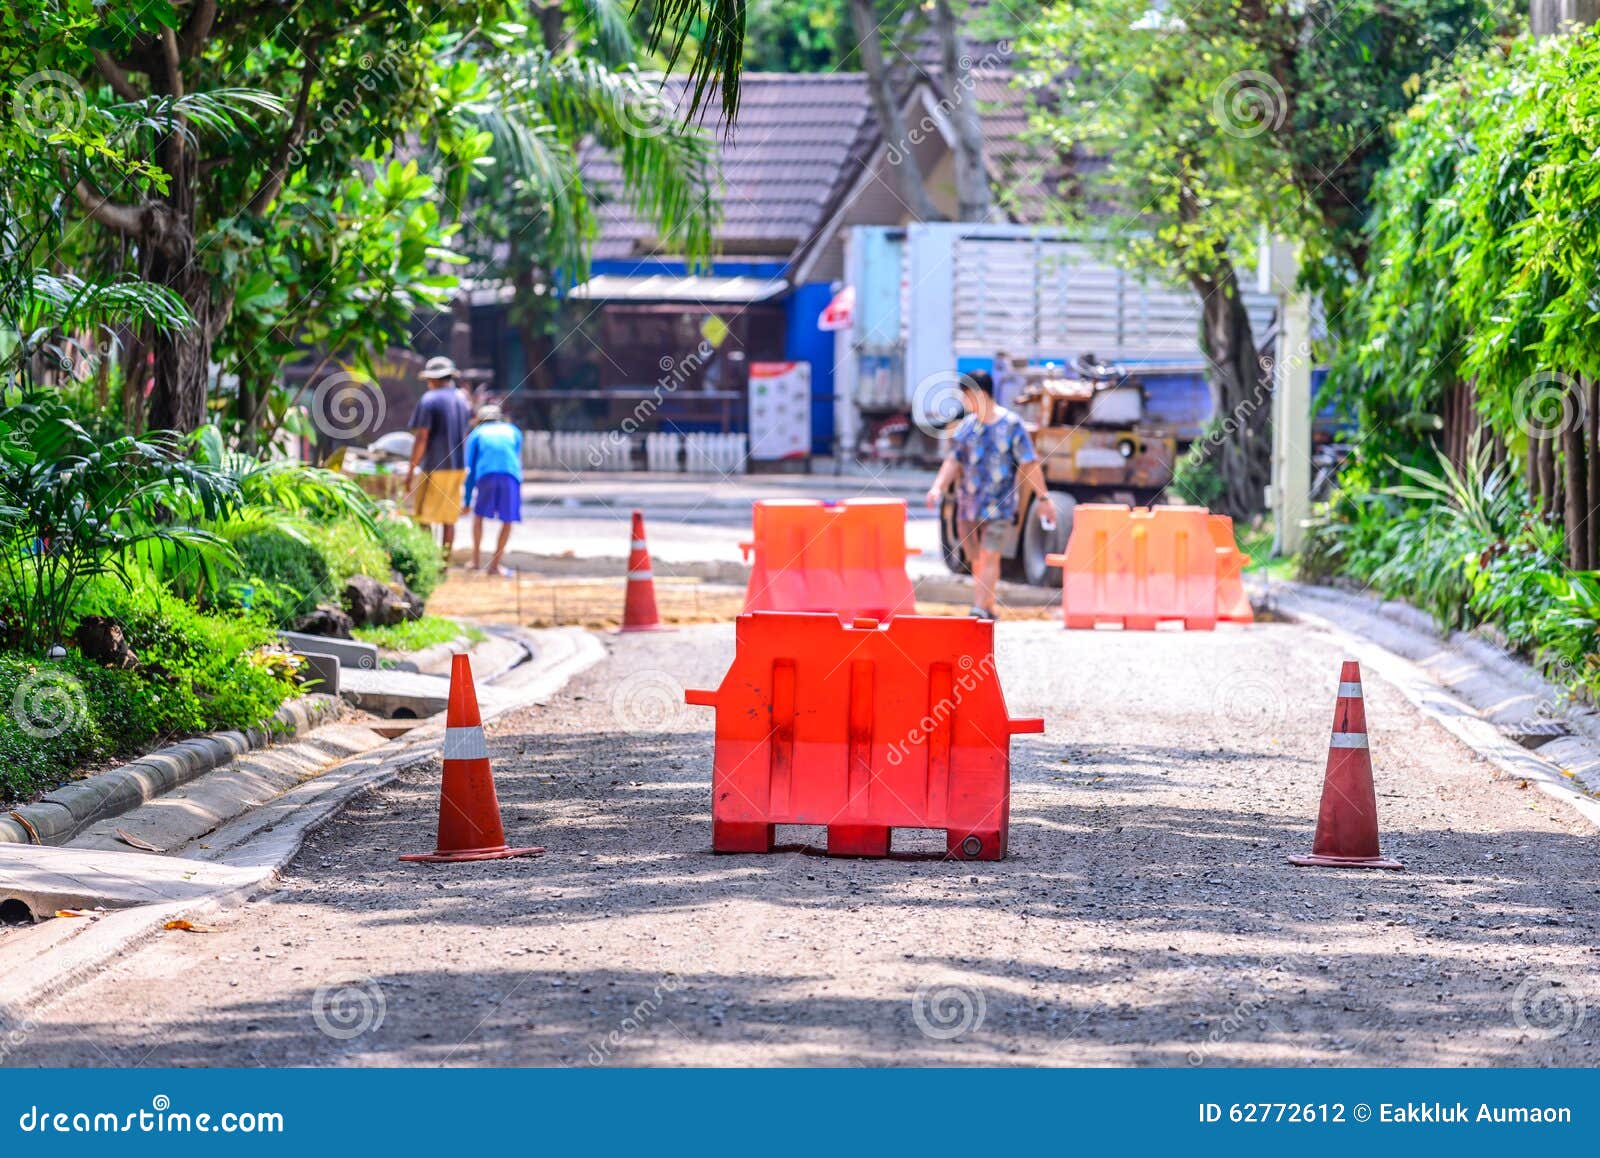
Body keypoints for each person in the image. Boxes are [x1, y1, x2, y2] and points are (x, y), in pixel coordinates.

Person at [925, 369, 1053, 620]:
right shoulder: (966, 428)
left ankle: (980, 607)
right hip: (968, 506)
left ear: (979, 394)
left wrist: (1043, 498)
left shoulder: (1012, 425)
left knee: (990, 553)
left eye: (966, 396)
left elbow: (1029, 463)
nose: (963, 402)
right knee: (975, 558)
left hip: (1000, 506)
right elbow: (954, 461)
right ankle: (986, 605)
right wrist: (938, 486)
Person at [405, 356, 472, 561]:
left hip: (435, 466)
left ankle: (427, 561)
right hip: (458, 467)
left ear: (433, 380)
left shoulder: (429, 400)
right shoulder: (462, 400)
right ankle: (443, 564)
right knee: (448, 518)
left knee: (423, 517)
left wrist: (411, 470)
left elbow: (422, 437)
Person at [463, 403, 524, 577]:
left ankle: (475, 561)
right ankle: (495, 565)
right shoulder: (514, 431)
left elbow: (471, 470)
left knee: (478, 515)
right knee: (507, 519)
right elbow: (515, 457)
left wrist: (467, 501)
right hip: (511, 475)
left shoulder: (476, 434)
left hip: (486, 475)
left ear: (479, 421)